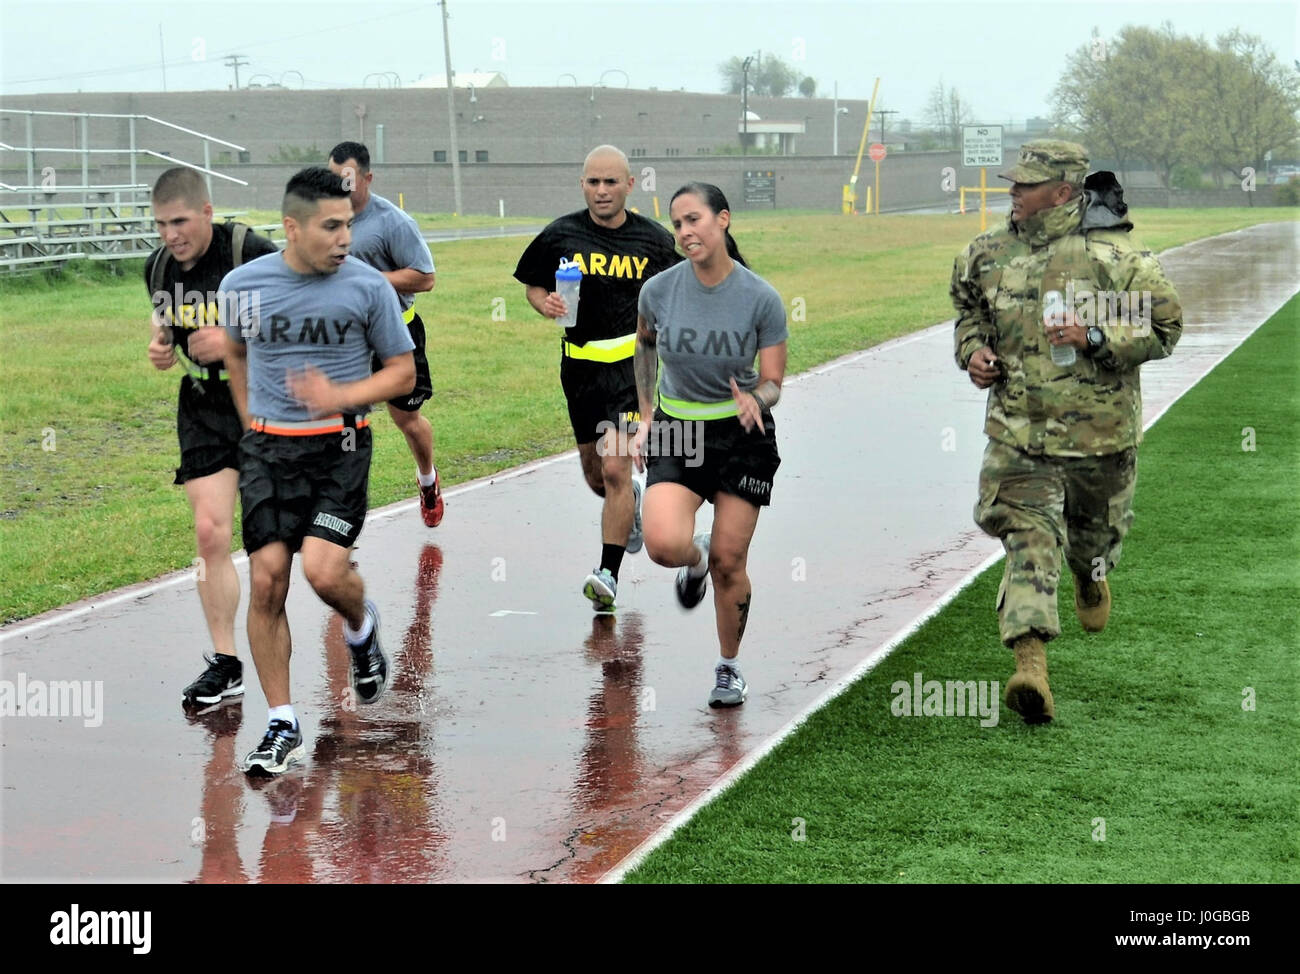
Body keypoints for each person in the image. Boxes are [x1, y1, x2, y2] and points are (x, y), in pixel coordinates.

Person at [951, 140, 1182, 724]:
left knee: (1091, 542)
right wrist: (974, 352)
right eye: (1014, 182)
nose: (1013, 192)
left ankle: (1092, 572)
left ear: (1062, 192)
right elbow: (969, 313)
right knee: (1029, 538)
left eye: (1025, 184)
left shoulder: (1115, 258)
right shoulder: (985, 253)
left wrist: (1097, 337)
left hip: (1099, 439)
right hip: (1019, 436)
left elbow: (1165, 327)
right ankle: (1030, 667)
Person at [221, 166, 416, 776]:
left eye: (349, 225)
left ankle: (362, 626)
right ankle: (282, 722)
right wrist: (249, 415)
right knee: (268, 579)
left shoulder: (369, 288)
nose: (345, 239)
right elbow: (234, 348)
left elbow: (402, 374)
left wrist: (341, 392)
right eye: (331, 227)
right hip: (268, 453)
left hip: (340, 447)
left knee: (324, 571)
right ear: (292, 227)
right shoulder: (242, 285)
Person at [631, 183, 788, 708]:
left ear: (723, 220)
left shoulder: (760, 298)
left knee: (729, 559)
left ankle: (728, 667)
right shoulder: (659, 291)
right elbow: (645, 345)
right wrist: (647, 415)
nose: (684, 232)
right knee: (662, 545)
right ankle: (690, 563)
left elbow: (773, 381)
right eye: (677, 224)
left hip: (741, 436)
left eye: (693, 220)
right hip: (678, 428)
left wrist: (757, 402)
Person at [513, 145, 680, 611]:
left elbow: (681, 287)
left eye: (611, 182)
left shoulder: (653, 241)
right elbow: (532, 282)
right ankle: (631, 507)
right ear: (582, 184)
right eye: (593, 182)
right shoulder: (561, 233)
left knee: (614, 467)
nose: (602, 191)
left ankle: (607, 573)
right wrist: (542, 302)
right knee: (596, 476)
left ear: (630, 185)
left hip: (631, 370)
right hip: (578, 369)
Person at [144, 166, 279, 713]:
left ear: (206, 212)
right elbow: (164, 325)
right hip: (202, 406)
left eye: (179, 221)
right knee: (209, 531)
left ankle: (352, 621)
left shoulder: (250, 250)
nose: (170, 235)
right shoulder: (156, 267)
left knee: (280, 546)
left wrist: (233, 340)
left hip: (265, 400)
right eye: (159, 224)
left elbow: (305, 316)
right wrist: (158, 346)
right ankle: (226, 664)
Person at [325, 142, 444, 527]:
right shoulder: (324, 219)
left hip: (395, 333)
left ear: (367, 178)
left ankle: (427, 478)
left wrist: (370, 281)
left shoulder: (393, 222)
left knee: (406, 419)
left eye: (347, 178)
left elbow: (425, 278)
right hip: (346, 339)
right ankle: (339, 518)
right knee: (342, 423)